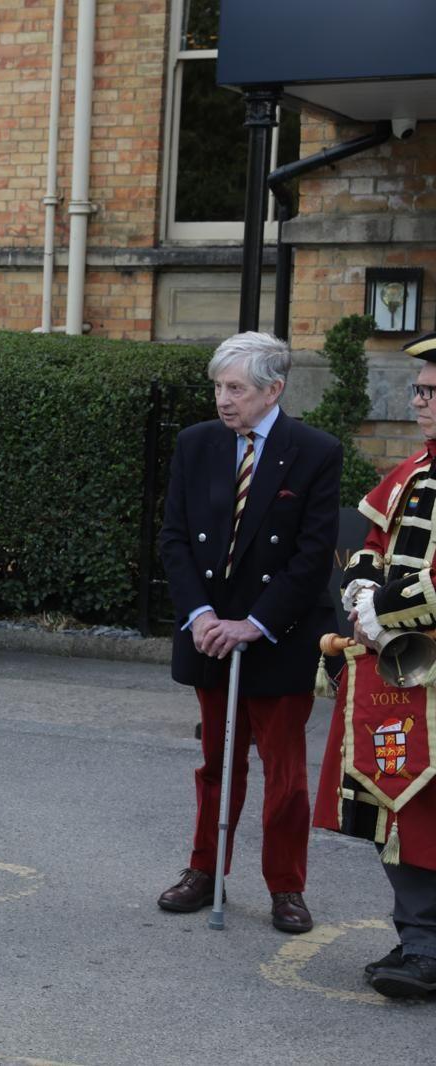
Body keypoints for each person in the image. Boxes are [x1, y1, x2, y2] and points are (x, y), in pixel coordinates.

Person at [157, 331, 341, 935]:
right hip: (210, 633)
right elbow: (176, 539)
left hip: (278, 635)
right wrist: (202, 617)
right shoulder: (197, 444)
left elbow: (312, 557)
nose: (223, 399)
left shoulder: (313, 451)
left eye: (236, 388)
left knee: (285, 775)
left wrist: (254, 624)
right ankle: (205, 870)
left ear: (273, 390)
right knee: (217, 763)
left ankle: (286, 886)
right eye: (218, 386)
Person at [314, 328, 436, 1000]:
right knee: (398, 815)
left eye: (430, 392)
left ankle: (425, 944)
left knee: (425, 816)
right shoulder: (414, 470)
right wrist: (361, 586)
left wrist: (382, 608)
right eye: (418, 390)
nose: (418, 400)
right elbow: (369, 539)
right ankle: (419, 940)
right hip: (398, 683)